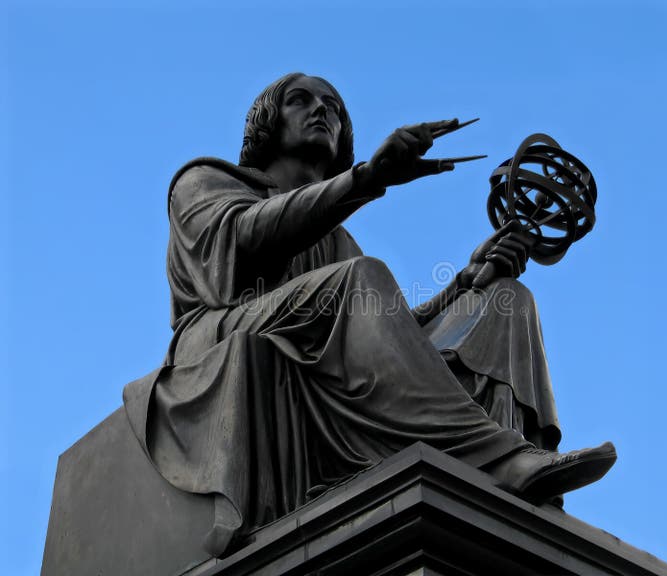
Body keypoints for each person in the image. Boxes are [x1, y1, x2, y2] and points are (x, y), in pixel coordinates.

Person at [123, 72, 616, 557]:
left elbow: (394, 337)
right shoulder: (203, 180)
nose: (322, 111)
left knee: (505, 301)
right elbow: (244, 243)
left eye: (334, 108)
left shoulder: (338, 244)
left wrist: (466, 282)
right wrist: (368, 179)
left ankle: (510, 477)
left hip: (314, 341)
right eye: (301, 101)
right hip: (219, 333)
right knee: (363, 275)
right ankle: (498, 458)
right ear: (268, 122)